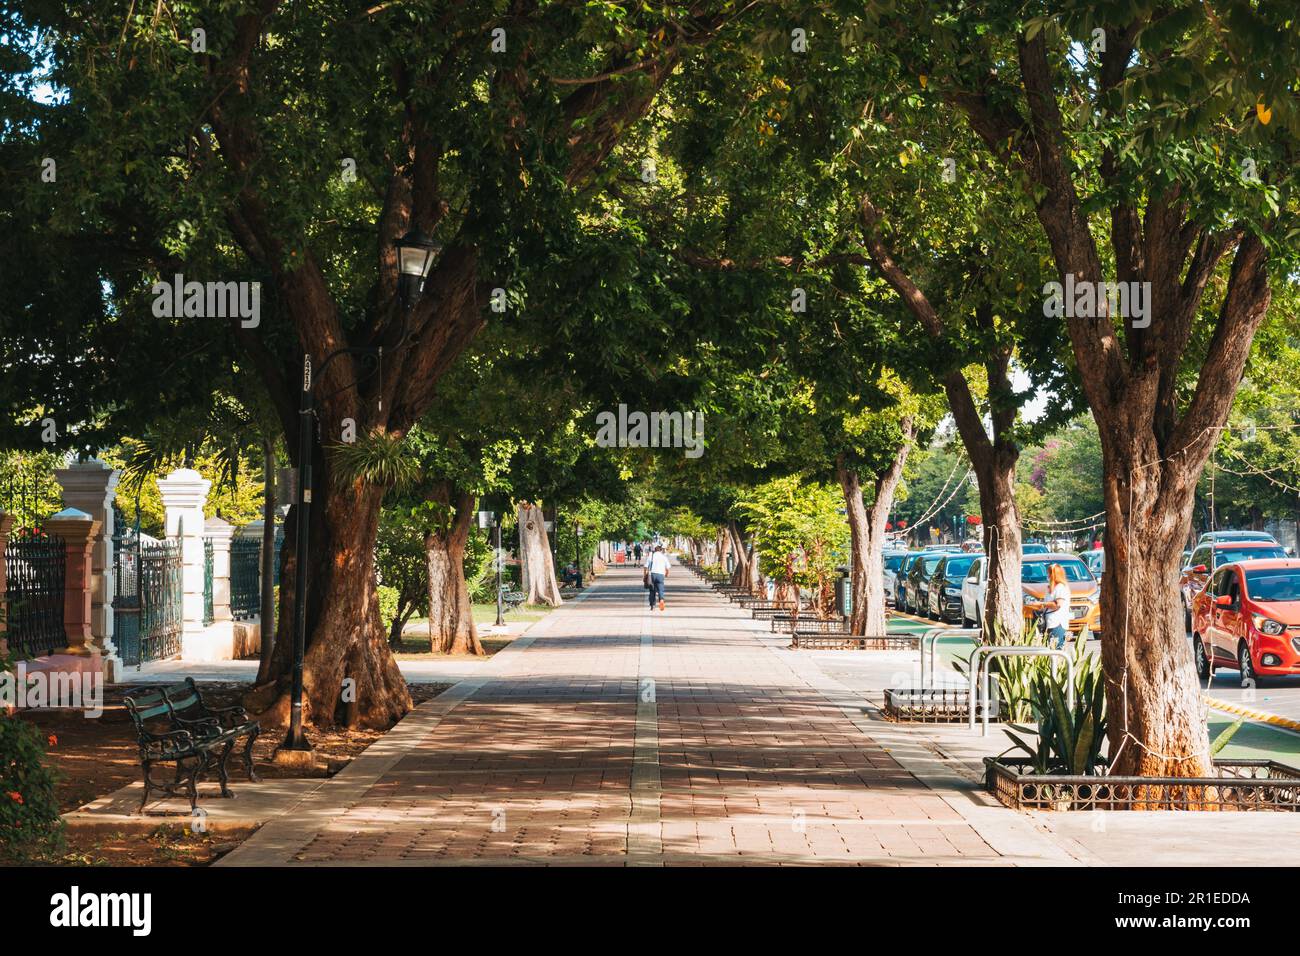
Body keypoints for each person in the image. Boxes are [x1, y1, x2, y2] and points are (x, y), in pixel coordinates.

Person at [1039, 563, 1072, 649]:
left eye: (1049, 573)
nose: (1048, 575)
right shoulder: (1051, 588)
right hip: (1050, 622)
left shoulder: (1061, 587)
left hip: (1057, 623)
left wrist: (1042, 604)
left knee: (1056, 649)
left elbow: (1058, 605)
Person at [646, 545, 670, 611]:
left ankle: (652, 605)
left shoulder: (651, 556)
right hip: (661, 575)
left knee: (652, 590)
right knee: (660, 589)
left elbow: (646, 566)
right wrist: (666, 574)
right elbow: (667, 568)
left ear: (655, 550)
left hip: (652, 574)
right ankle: (661, 600)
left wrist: (645, 575)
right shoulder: (664, 557)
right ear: (661, 550)